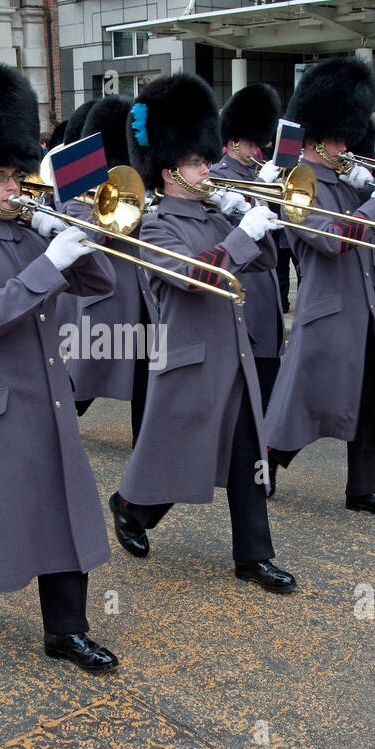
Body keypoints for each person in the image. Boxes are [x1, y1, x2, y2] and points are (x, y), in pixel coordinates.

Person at [0, 64, 120, 672]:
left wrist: (72, 233)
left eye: (19, 173)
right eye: (3, 176)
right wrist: (46, 264)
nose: (16, 185)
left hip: (51, 400)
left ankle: (65, 631)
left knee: (62, 513)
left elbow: (100, 282)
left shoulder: (37, 232)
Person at [108, 72, 296, 593]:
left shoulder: (216, 215)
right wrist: (240, 234)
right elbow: (193, 278)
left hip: (232, 356)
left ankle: (254, 557)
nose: (206, 168)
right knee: (180, 450)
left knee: (244, 457)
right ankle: (131, 506)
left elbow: (258, 266)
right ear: (169, 172)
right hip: (191, 358)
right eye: (195, 162)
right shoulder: (157, 224)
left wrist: (261, 217)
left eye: (204, 159)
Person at [263, 57, 375, 519]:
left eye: (347, 137)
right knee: (299, 404)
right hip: (325, 311)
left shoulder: (346, 179)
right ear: (314, 139)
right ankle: (263, 466)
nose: (346, 146)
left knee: (370, 402)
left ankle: (366, 488)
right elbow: (331, 239)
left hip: (361, 307)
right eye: (337, 138)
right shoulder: (298, 186)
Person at [57, 95, 160, 445]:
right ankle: (50, 420)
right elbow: (74, 233)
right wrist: (104, 218)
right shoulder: (77, 175)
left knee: (146, 375)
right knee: (83, 383)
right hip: (102, 295)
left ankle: (145, 455)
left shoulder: (134, 178)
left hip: (141, 294)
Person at [210, 83, 286, 481]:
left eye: (260, 144)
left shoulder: (261, 174)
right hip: (241, 293)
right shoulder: (218, 180)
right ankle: (252, 469)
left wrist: (270, 194)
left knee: (269, 387)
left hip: (266, 289)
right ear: (233, 140)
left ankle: (262, 465)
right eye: (251, 144)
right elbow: (226, 239)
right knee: (246, 394)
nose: (257, 152)